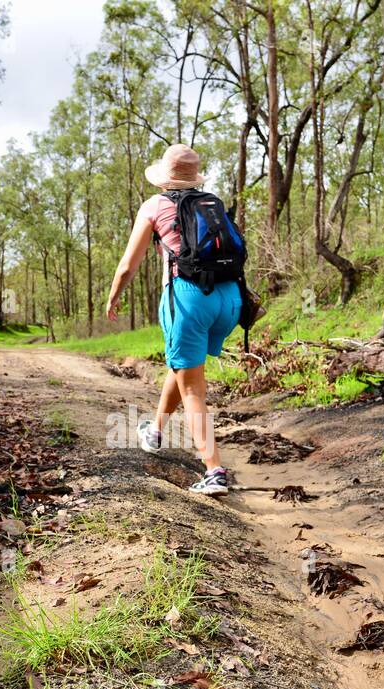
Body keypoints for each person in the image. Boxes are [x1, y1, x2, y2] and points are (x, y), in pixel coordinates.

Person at [105, 144, 241, 497]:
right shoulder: (210, 203)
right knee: (182, 365)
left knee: (193, 386)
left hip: (189, 298)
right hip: (230, 300)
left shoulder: (154, 206)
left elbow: (126, 266)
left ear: (165, 177)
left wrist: (114, 295)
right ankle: (156, 430)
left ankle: (213, 470)